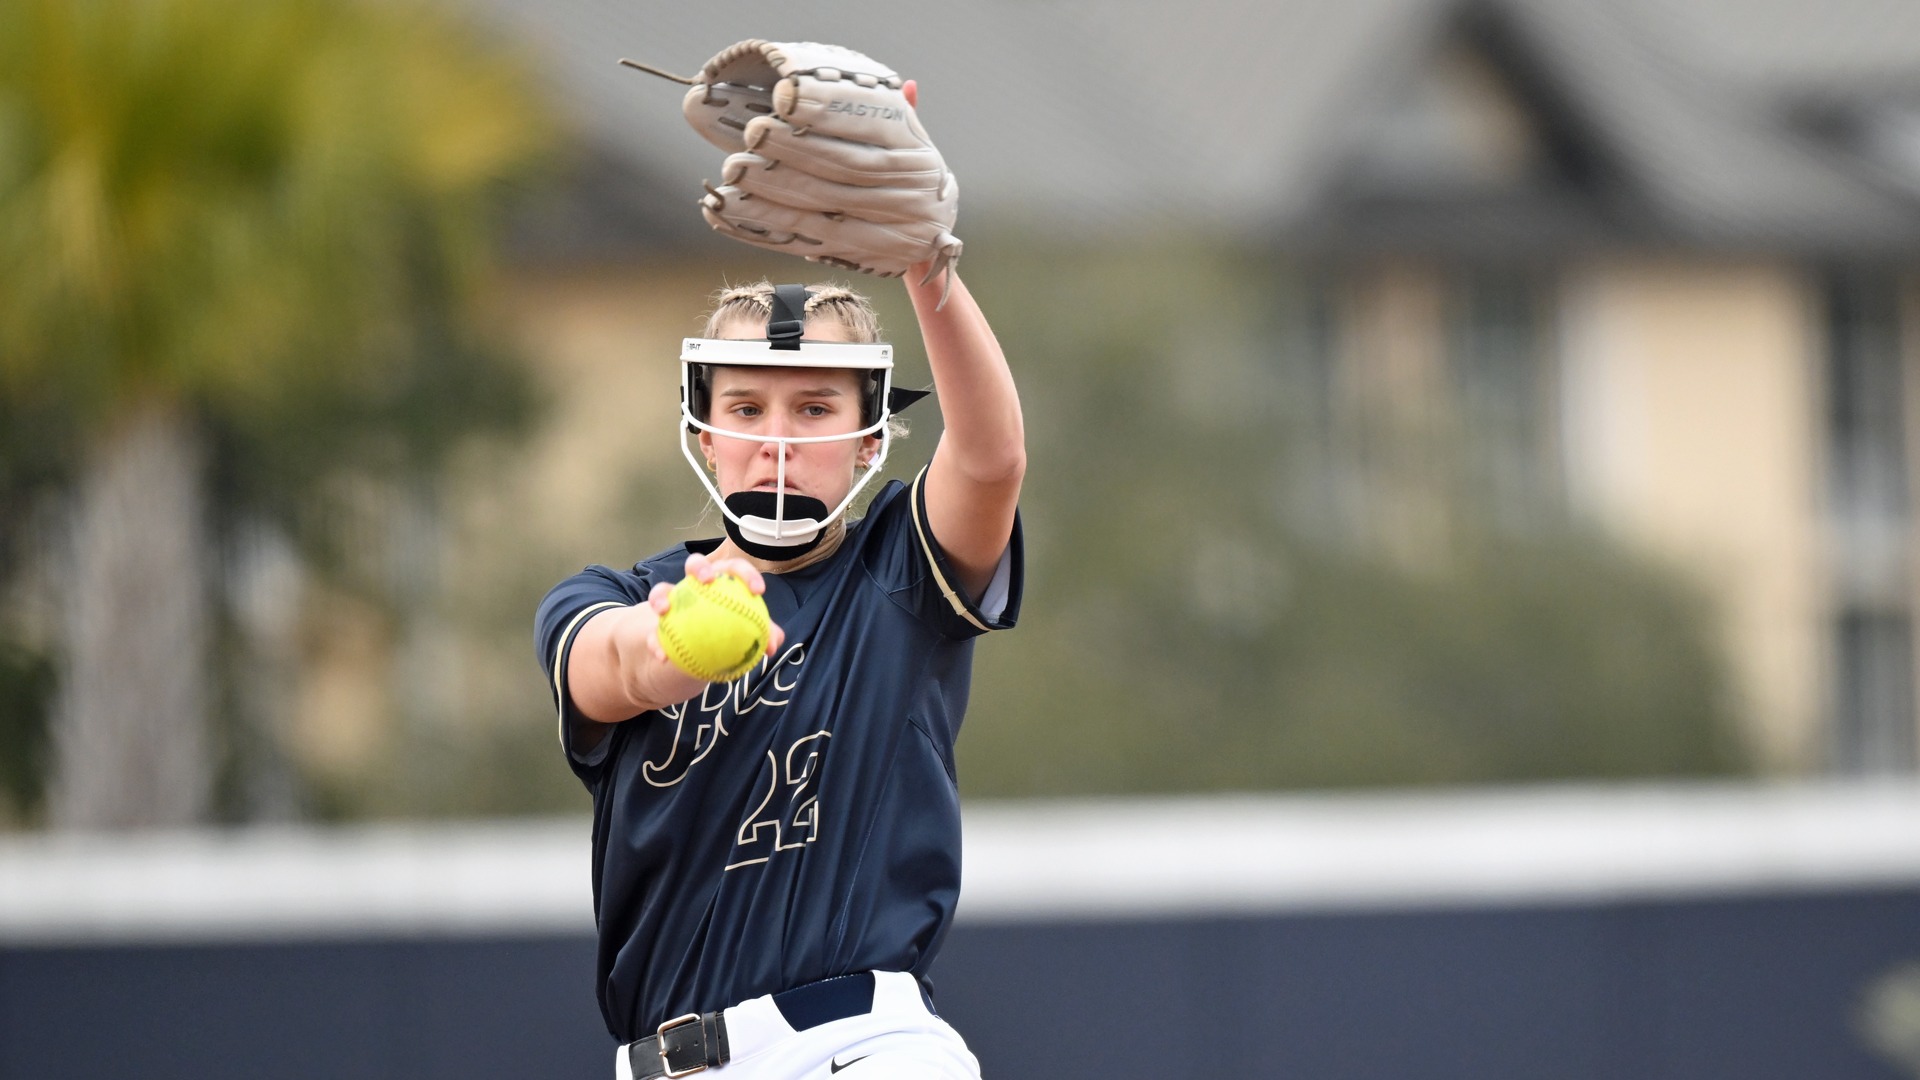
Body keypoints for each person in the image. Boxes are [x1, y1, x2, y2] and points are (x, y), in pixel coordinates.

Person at [534, 269, 1023, 1080]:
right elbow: (609, 664)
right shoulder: (613, 597)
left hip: (861, 1049)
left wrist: (929, 270)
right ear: (704, 431)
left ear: (871, 439)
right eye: (748, 408)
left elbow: (993, 457)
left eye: (817, 407)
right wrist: (671, 652)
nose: (779, 438)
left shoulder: (895, 570)